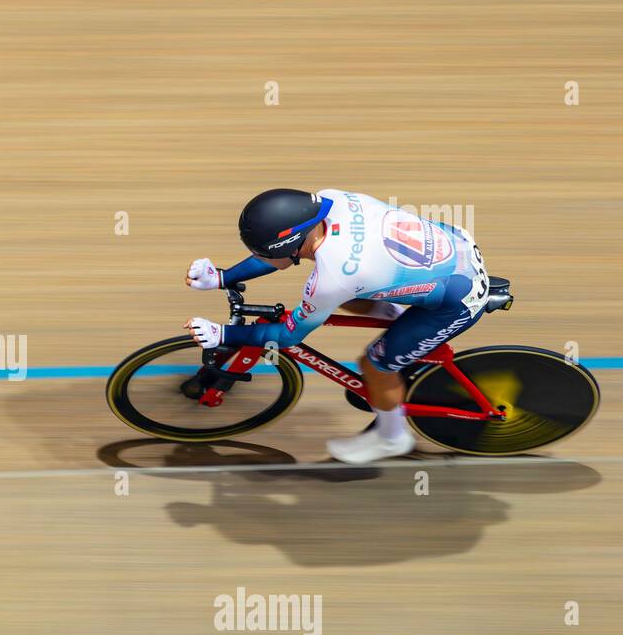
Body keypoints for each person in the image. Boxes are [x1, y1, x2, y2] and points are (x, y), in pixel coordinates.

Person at [184, 189, 490, 465]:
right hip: (455, 248)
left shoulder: (334, 279)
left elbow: (288, 337)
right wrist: (224, 277)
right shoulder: (332, 201)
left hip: (456, 299)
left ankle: (392, 437)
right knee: (351, 296)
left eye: (265, 251)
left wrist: (223, 333)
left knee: (374, 366)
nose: (262, 256)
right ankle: (397, 321)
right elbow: (283, 251)